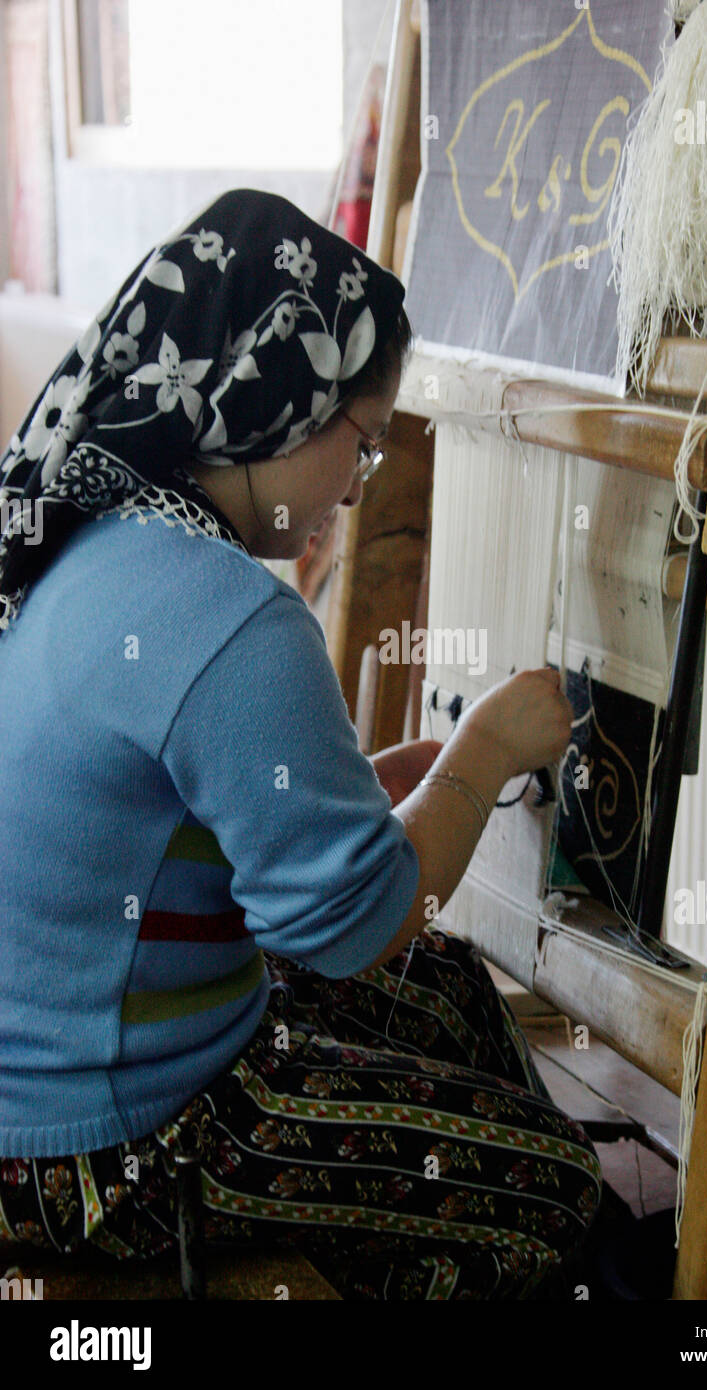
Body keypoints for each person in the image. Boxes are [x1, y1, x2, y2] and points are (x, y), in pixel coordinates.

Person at [0, 189, 602, 1300]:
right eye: (362, 446)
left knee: (453, 990)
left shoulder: (98, 532)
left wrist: (358, 796)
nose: (351, 489)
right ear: (280, 400)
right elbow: (353, 932)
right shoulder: (229, 614)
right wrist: (481, 753)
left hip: (56, 1069)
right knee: (554, 1193)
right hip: (96, 1145)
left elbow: (162, 816)